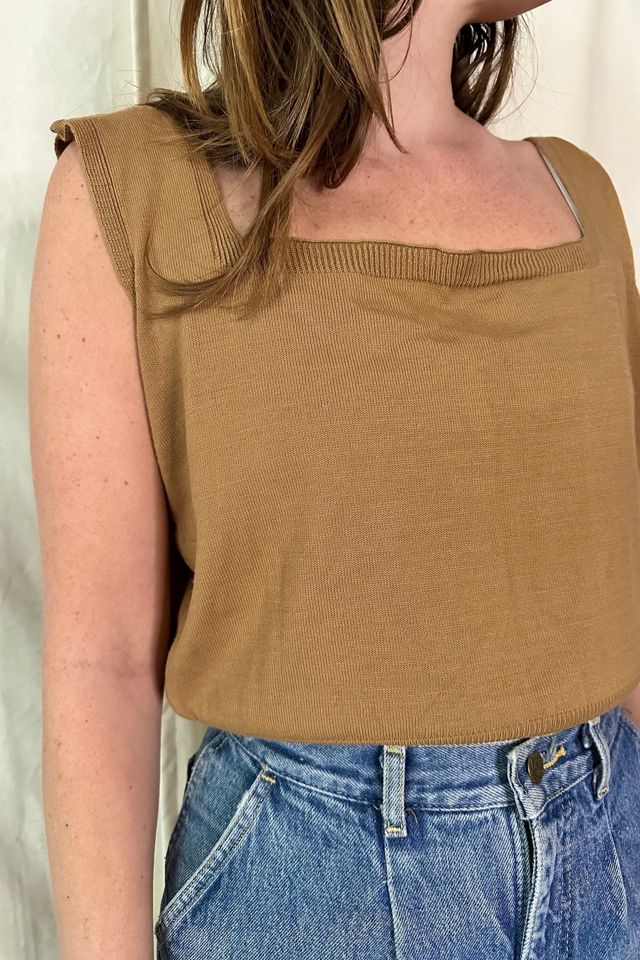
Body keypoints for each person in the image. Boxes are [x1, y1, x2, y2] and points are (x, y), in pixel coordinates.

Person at [30, 0, 640, 957]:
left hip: (609, 853)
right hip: (303, 893)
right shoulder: (133, 191)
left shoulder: (583, 198)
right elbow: (102, 660)